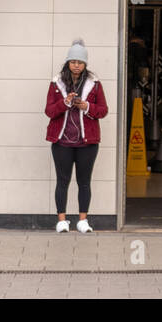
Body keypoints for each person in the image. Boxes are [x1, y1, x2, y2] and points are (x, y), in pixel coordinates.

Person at [44, 39, 107, 234]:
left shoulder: (94, 84)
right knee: (62, 181)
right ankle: (61, 220)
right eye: (73, 62)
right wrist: (65, 102)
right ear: (68, 63)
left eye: (80, 62)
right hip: (62, 141)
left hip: (87, 142)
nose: (76, 65)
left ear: (85, 64)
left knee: (84, 181)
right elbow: (49, 111)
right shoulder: (56, 83)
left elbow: (103, 110)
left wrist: (86, 106)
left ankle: (82, 220)